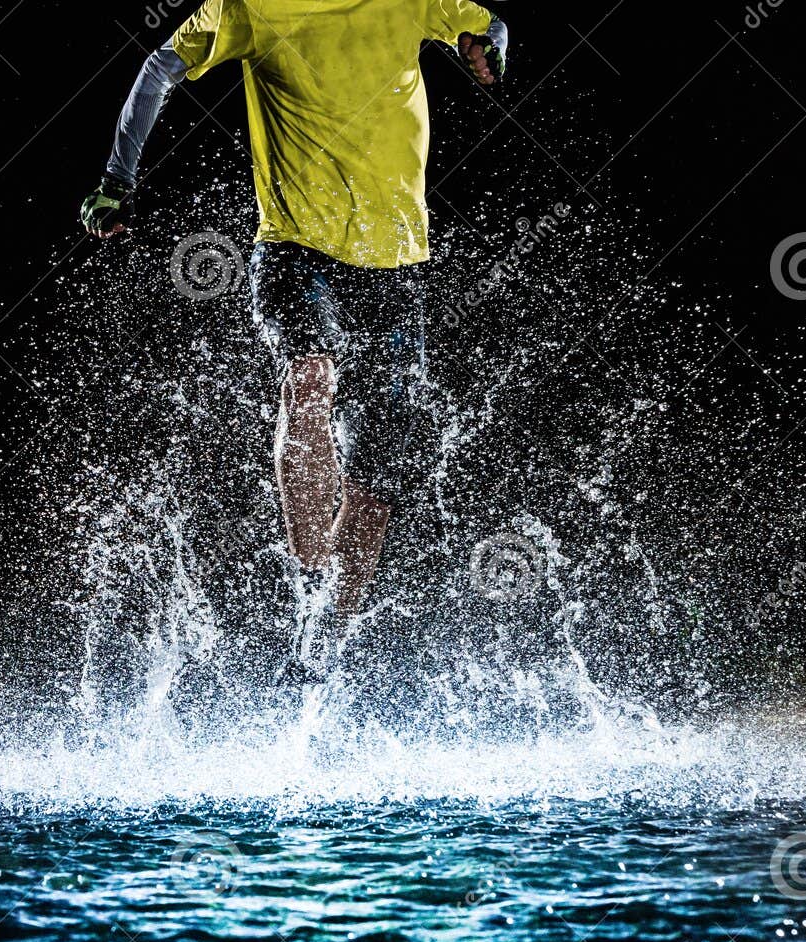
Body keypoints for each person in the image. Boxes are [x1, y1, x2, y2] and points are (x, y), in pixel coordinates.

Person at [82, 0, 508, 682]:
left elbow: (486, 23)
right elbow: (160, 68)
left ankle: (322, 643)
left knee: (376, 480)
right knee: (310, 378)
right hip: (293, 248)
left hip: (396, 263)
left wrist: (487, 46)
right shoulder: (250, 5)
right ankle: (310, 577)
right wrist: (117, 178)